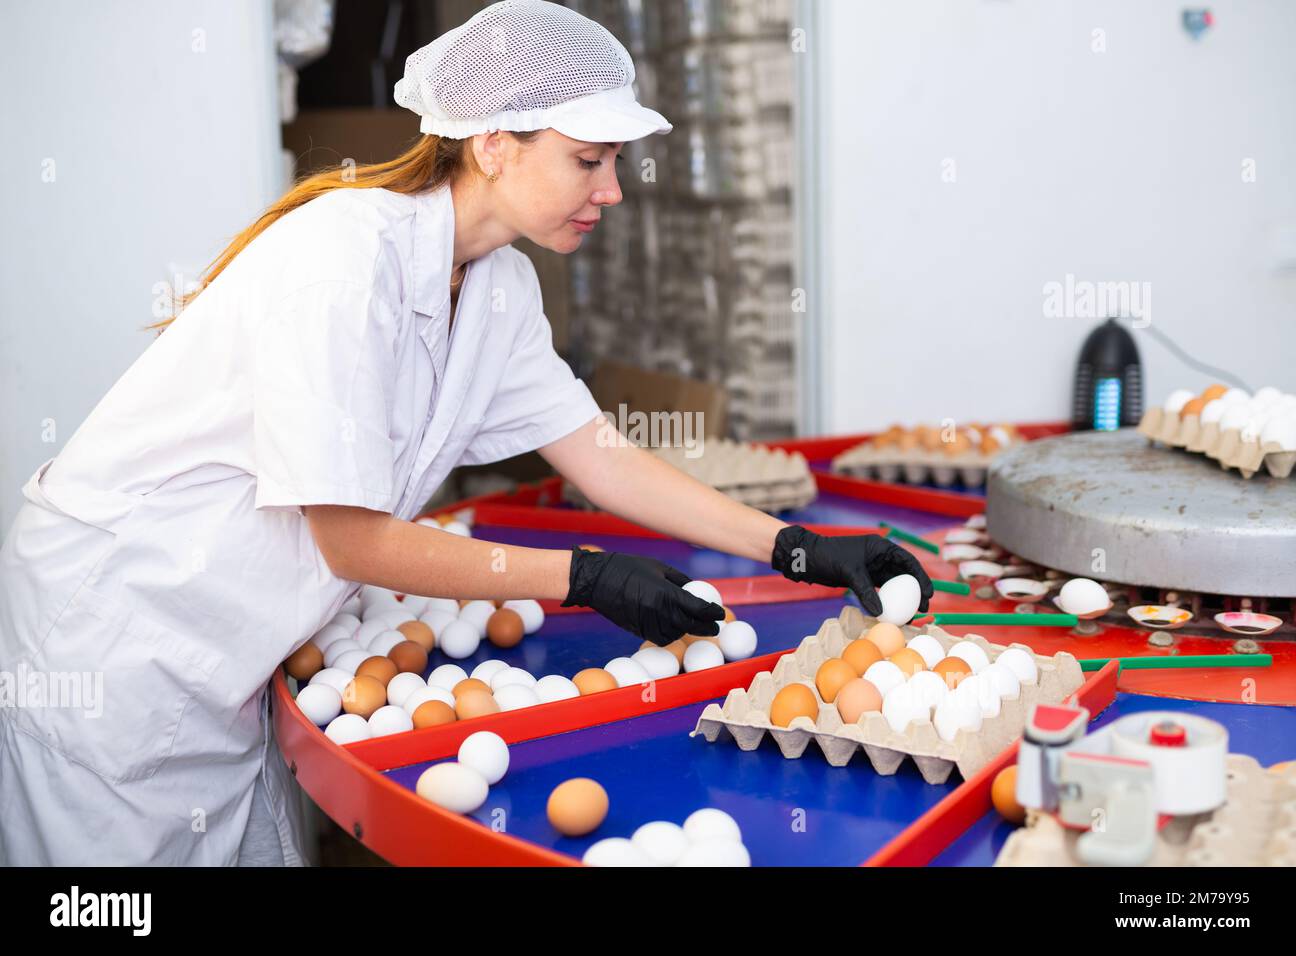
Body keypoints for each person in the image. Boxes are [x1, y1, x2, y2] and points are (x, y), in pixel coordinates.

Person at [0, 0, 932, 866]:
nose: (612, 191)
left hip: (240, 636)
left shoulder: (497, 288)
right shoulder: (340, 263)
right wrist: (583, 576)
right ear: (492, 143)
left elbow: (599, 456)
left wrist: (800, 547)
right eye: (587, 159)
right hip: (129, 628)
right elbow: (352, 537)